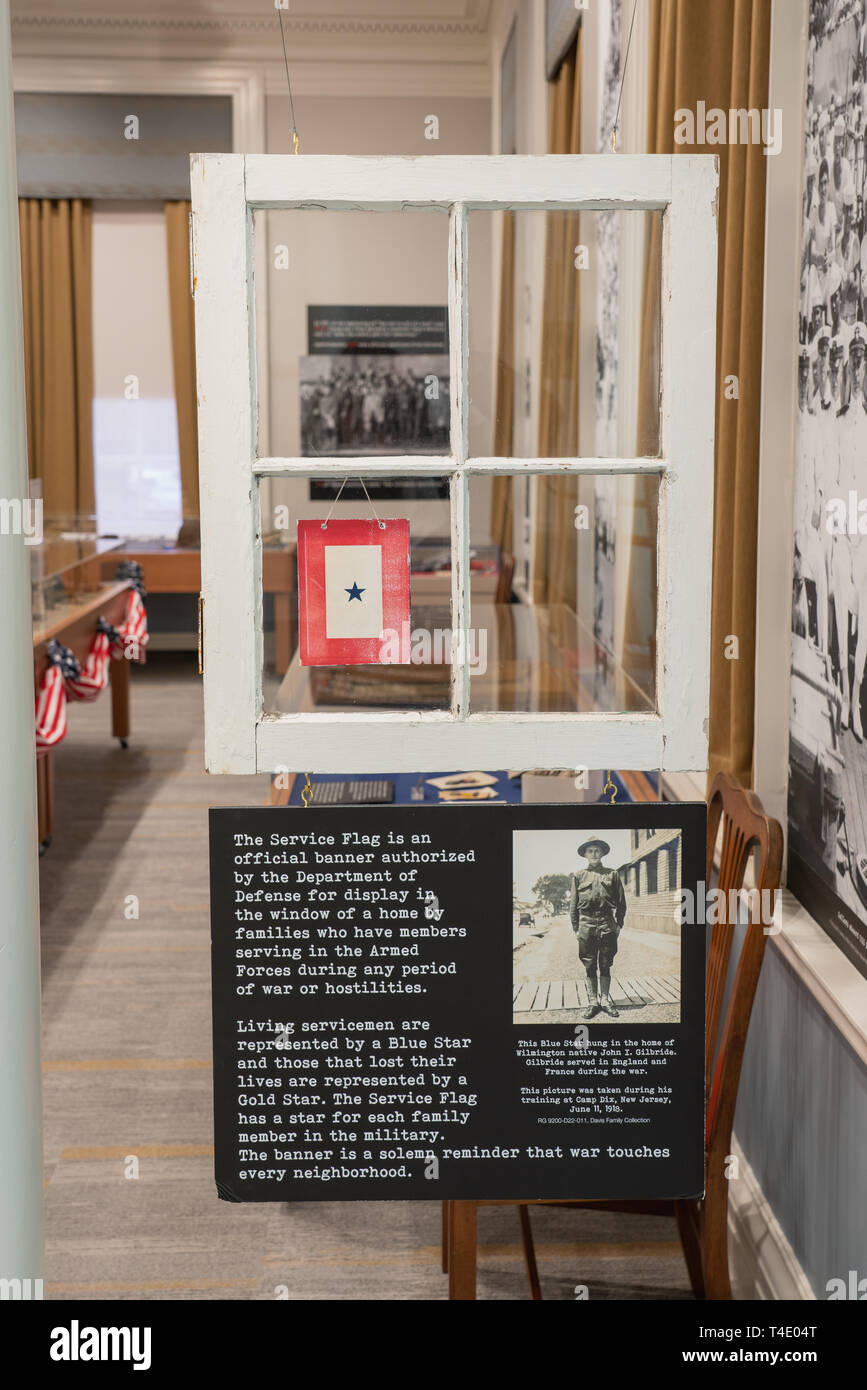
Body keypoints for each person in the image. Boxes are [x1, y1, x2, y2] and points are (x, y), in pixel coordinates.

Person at [569, 838, 627, 1020]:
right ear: (585, 854)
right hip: (586, 923)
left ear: (602, 853)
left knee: (606, 963)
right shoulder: (579, 876)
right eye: (590, 851)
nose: (594, 854)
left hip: (607, 922)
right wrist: (576, 928)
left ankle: (605, 1000)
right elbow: (573, 904)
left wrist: (619, 924)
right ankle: (593, 1001)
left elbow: (621, 902)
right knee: (589, 964)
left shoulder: (612, 874)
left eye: (597, 850)